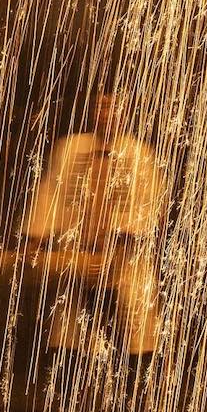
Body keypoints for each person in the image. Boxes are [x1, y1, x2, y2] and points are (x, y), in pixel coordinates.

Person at [23, 92, 165, 361]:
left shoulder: (140, 157)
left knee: (131, 338)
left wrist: (119, 236)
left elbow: (149, 209)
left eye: (114, 107)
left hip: (125, 262)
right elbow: (50, 194)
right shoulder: (71, 150)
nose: (107, 114)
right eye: (101, 107)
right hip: (78, 260)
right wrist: (37, 239)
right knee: (72, 338)